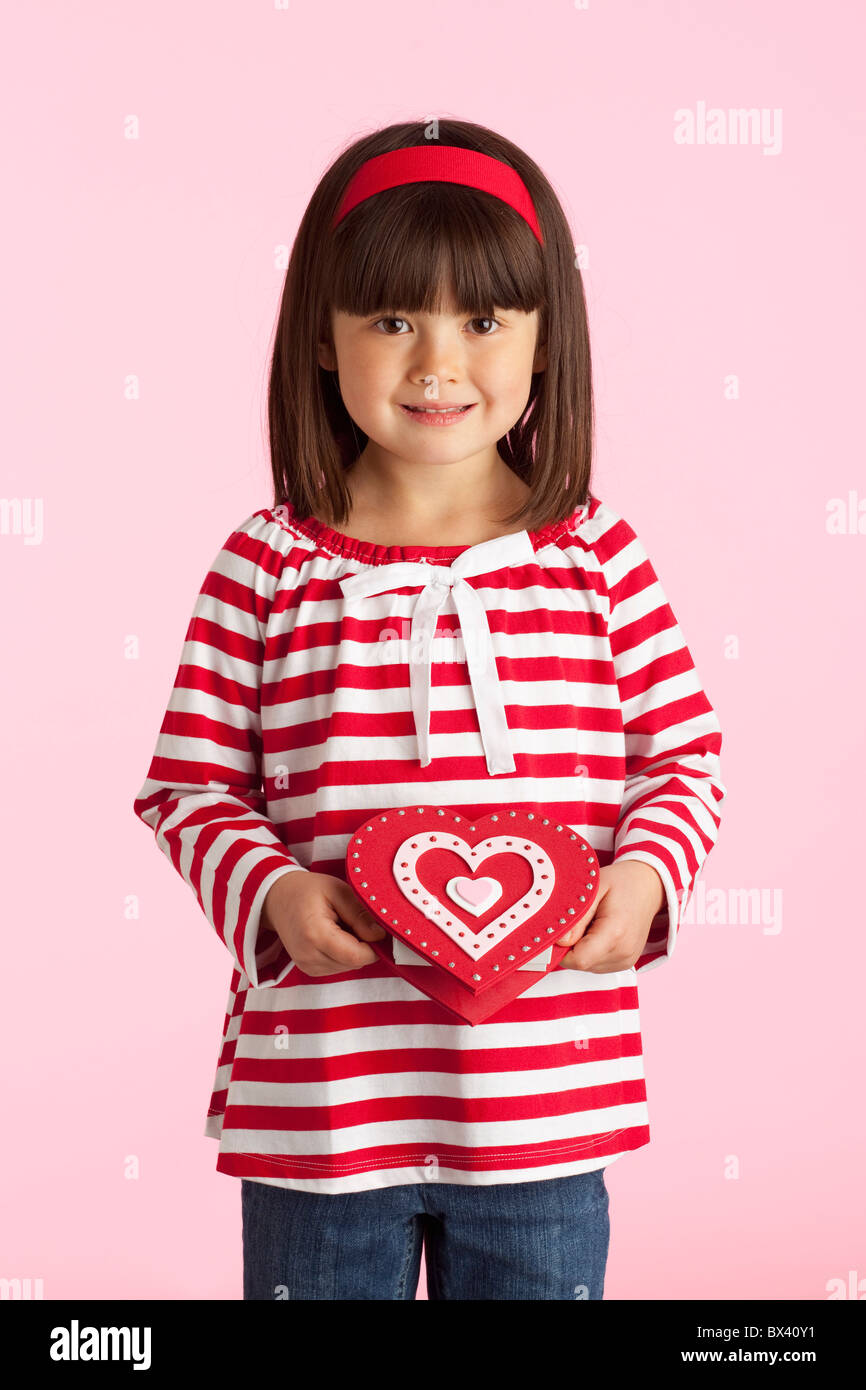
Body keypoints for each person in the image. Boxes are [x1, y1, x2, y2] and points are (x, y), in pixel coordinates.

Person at [132, 118, 726, 1301]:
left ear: (547, 340)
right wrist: (274, 889)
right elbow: (189, 785)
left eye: (484, 321)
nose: (435, 363)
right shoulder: (267, 567)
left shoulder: (597, 557)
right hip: (324, 1107)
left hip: (543, 1104)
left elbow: (683, 759)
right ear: (320, 335)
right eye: (392, 319)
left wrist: (647, 876)